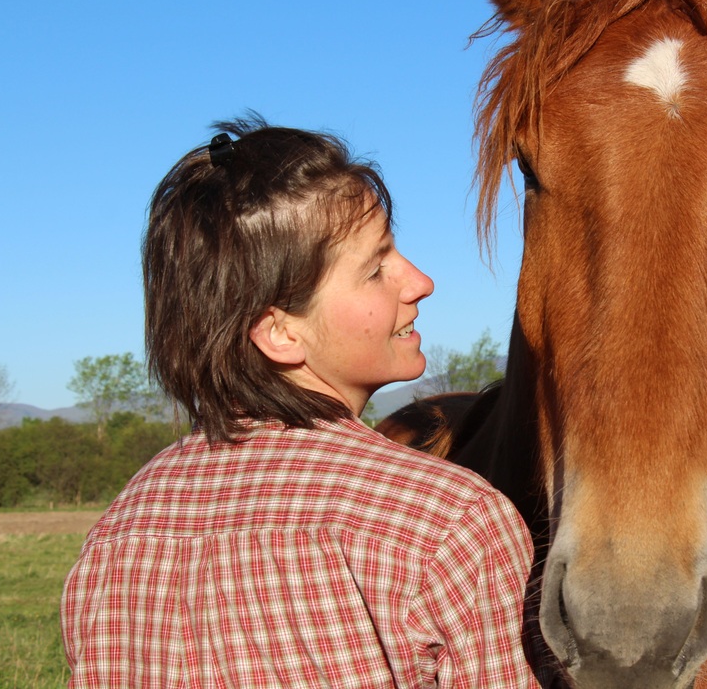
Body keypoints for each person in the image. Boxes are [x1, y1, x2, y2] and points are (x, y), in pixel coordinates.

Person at [61, 116, 538, 688]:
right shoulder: (454, 525)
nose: (419, 281)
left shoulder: (119, 534)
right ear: (281, 332)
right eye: (375, 268)